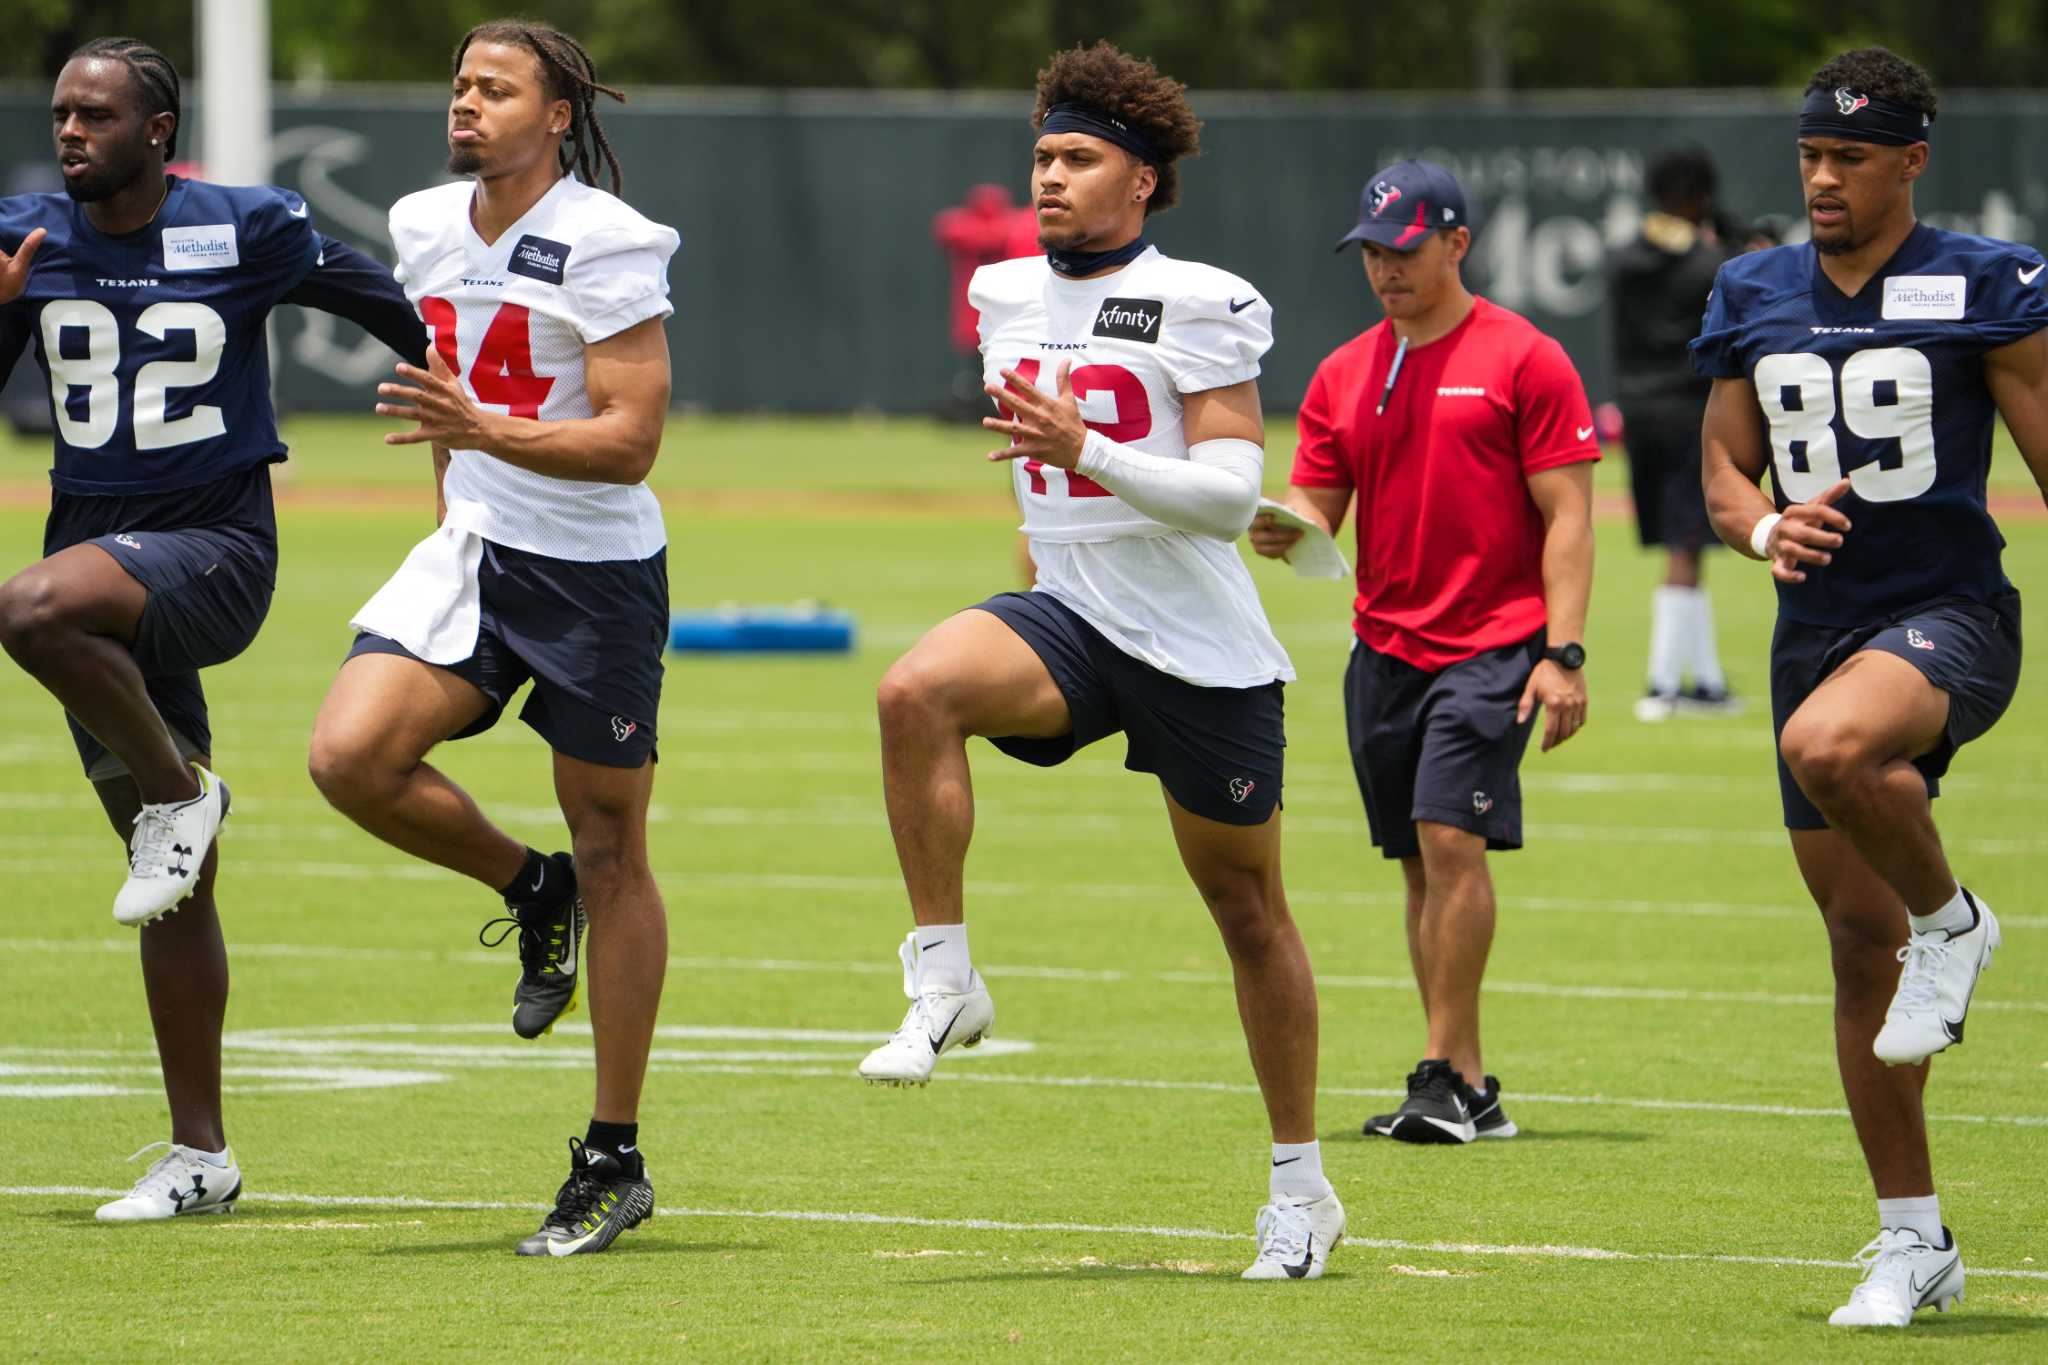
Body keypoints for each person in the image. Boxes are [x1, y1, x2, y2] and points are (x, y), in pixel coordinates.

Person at [860, 41, 1344, 1281]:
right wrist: (1049, 532)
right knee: (913, 689)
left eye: (1078, 159)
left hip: (1194, 644)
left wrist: (1093, 451)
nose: (1051, 179)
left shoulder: (1206, 299)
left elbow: (1233, 497)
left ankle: (1299, 1188)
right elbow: (1037, 483)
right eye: (1041, 157)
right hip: (1069, 614)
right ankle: (943, 982)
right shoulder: (1003, 294)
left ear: (1141, 180)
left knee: (1246, 913)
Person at [0, 38, 424, 1222]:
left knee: (25, 610)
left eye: (96, 114)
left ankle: (181, 797)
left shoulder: (248, 226)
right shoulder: (24, 235)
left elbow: (380, 297)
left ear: (157, 129)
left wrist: (472, 392)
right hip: (100, 577)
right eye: (61, 113)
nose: (71, 131)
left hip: (215, 556)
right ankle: (202, 1155)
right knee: (170, 882)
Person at [304, 19, 678, 1258]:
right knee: (349, 757)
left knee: (614, 841)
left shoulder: (609, 238)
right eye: (459, 84)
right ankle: (530, 887)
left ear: (558, 112)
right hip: (472, 553)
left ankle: (610, 1154)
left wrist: (489, 436)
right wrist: (455, 502)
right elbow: (442, 417)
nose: (466, 104)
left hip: (593, 577)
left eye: (496, 88)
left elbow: (628, 438)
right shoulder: (421, 223)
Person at [1694, 46, 2048, 1328]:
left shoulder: (1982, 281)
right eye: (1810, 155)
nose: (1823, 177)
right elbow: (1723, 466)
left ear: (1910, 159)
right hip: (1815, 627)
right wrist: (1755, 532)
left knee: (1831, 749)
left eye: (1849, 155)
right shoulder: (1749, 287)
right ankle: (1914, 1243)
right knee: (1856, 949)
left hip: (1948, 617)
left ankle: (1957, 924)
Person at [1251, 159, 1598, 1148]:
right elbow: (1318, 498)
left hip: (1493, 646)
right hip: (1383, 650)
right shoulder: (1341, 371)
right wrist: (1286, 525)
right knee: (1416, 863)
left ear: (1455, 242)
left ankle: (1439, 1072)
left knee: (1450, 843)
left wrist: (1561, 652)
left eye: (1400, 250)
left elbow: (1567, 519)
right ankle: (1468, 1085)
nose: (1383, 270)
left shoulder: (1525, 358)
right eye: (1369, 252)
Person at [1608, 146, 1739, 720]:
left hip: (1639, 412)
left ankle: (1706, 683)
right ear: (1699, 196)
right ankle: (1662, 684)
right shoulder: (1709, 265)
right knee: (1687, 546)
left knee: (1683, 544)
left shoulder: (1623, 259)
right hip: (1689, 412)